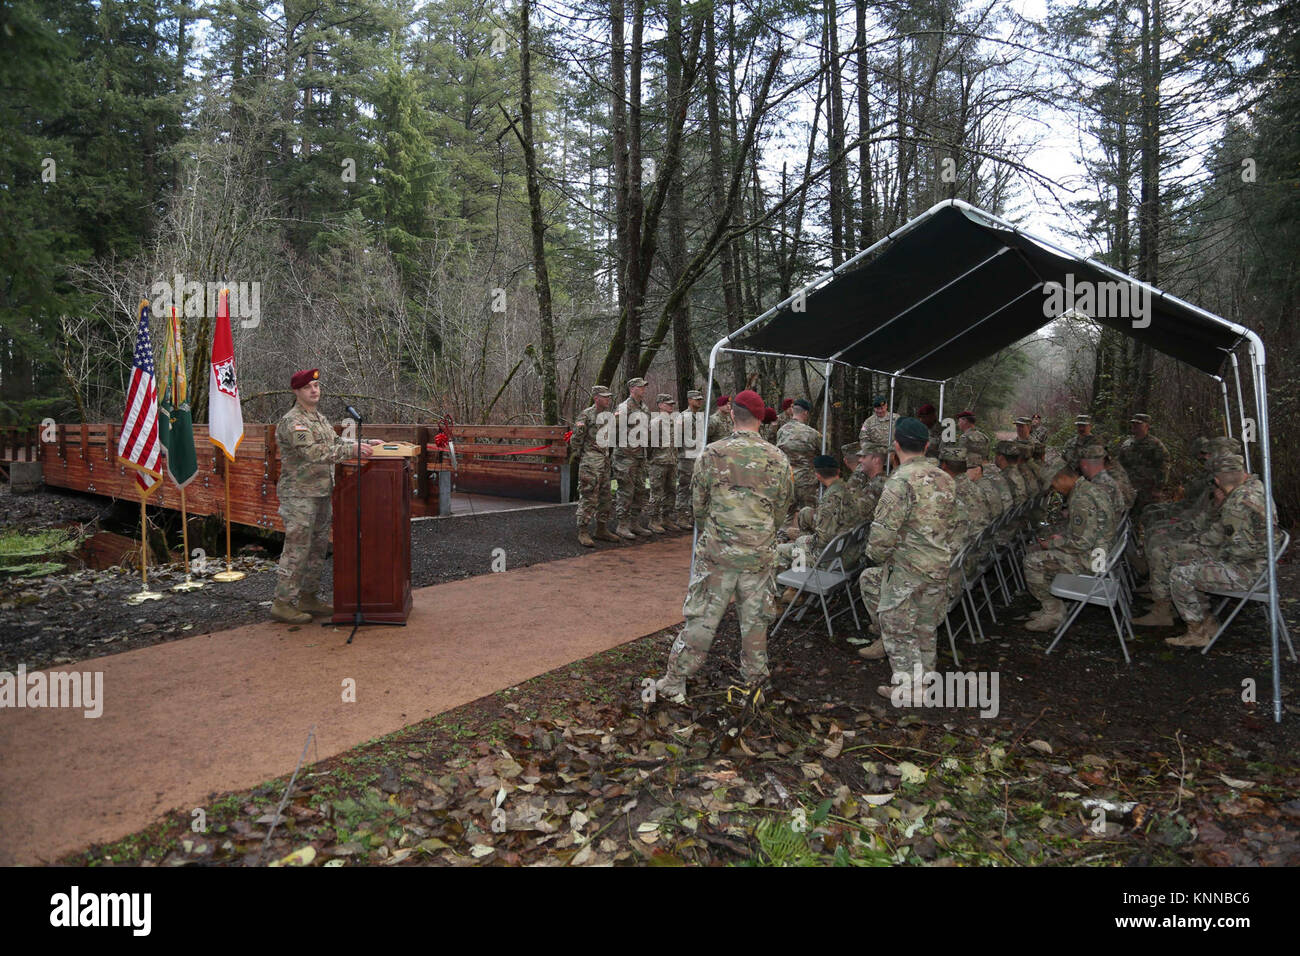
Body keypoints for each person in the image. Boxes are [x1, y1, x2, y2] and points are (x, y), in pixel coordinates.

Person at [655, 390, 794, 702]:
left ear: (733, 414)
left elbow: (699, 506)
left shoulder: (712, 454)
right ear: (761, 419)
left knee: (703, 615)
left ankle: (676, 680)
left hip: (719, 552)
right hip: (759, 552)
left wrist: (715, 531)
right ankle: (755, 684)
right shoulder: (779, 458)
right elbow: (782, 508)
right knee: (756, 619)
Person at [855, 418, 955, 701]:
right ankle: (923, 684)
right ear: (926, 445)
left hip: (906, 569)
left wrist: (874, 557)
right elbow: (956, 524)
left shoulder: (898, 482)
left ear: (896, 446)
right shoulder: (946, 479)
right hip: (938, 565)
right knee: (925, 626)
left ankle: (909, 688)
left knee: (897, 627)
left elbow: (884, 532)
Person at [272, 368, 380, 624]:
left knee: (318, 548)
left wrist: (365, 442)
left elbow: (334, 444)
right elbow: (312, 452)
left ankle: (308, 597)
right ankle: (282, 602)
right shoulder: (293, 422)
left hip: (321, 492)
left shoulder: (318, 418)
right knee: (297, 548)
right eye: (309, 387)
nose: (314, 390)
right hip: (299, 496)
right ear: (297, 391)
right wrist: (352, 450)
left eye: (317, 386)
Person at [1163, 454, 1279, 648]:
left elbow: (1240, 552)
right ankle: (1207, 622)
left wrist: (1211, 557)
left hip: (1249, 571)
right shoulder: (1257, 487)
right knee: (1190, 560)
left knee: (1180, 573)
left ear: (1217, 480)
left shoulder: (1237, 503)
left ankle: (1197, 632)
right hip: (1263, 564)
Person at [1021, 465, 1117, 632]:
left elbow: (1082, 543)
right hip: (1100, 553)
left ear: (1063, 478)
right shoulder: (1090, 489)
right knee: (1039, 550)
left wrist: (1050, 544)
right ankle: (1054, 606)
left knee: (1032, 561)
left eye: (1054, 485)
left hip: (1093, 561)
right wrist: (1061, 539)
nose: (1055, 490)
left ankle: (1053, 613)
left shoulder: (1082, 498)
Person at [777, 454, 855, 586]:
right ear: (838, 471)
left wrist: (801, 540)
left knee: (779, 550)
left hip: (830, 558)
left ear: (818, 475)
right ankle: (797, 582)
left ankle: (792, 588)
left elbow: (823, 539)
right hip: (848, 549)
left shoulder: (831, 498)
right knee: (805, 514)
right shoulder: (847, 488)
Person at [570, 384, 619, 547]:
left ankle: (601, 528)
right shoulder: (586, 415)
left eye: (609, 397)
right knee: (588, 495)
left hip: (604, 461)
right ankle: (583, 531)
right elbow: (575, 441)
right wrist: (582, 457)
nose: (608, 399)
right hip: (590, 462)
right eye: (605, 397)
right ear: (596, 398)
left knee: (606, 496)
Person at [612, 376, 652, 537]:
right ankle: (622, 524)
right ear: (632, 389)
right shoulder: (624, 407)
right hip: (625, 456)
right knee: (626, 491)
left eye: (644, 387)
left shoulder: (644, 408)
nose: (643, 389)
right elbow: (614, 430)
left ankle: (634, 523)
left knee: (640, 490)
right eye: (640, 387)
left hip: (640, 456)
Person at [1117, 413, 1170, 514]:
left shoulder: (1155, 444)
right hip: (1129, 490)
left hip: (1149, 492)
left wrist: (1158, 488)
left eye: (1138, 424)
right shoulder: (1127, 444)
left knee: (1149, 517)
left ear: (1147, 426)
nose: (1134, 426)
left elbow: (1164, 467)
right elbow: (1120, 466)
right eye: (1133, 424)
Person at [777, 398, 822, 511]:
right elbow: (823, 454)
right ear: (806, 413)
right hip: (807, 483)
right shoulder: (813, 434)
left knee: (786, 516)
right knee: (809, 515)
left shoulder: (781, 431)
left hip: (787, 479)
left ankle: (784, 529)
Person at [646, 394, 680, 533]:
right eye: (667, 404)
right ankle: (653, 520)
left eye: (672, 404)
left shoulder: (673, 422)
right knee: (657, 493)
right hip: (658, 462)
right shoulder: (655, 423)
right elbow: (649, 444)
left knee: (671, 491)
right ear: (660, 405)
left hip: (671, 461)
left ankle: (666, 518)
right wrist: (651, 459)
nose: (671, 406)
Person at [674, 389, 706, 527]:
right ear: (689, 400)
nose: (699, 401)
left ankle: (694, 517)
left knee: (696, 488)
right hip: (686, 458)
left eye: (700, 399)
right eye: (696, 399)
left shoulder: (699, 417)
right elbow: (677, 438)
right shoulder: (683, 417)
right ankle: (681, 517)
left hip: (697, 458)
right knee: (684, 487)